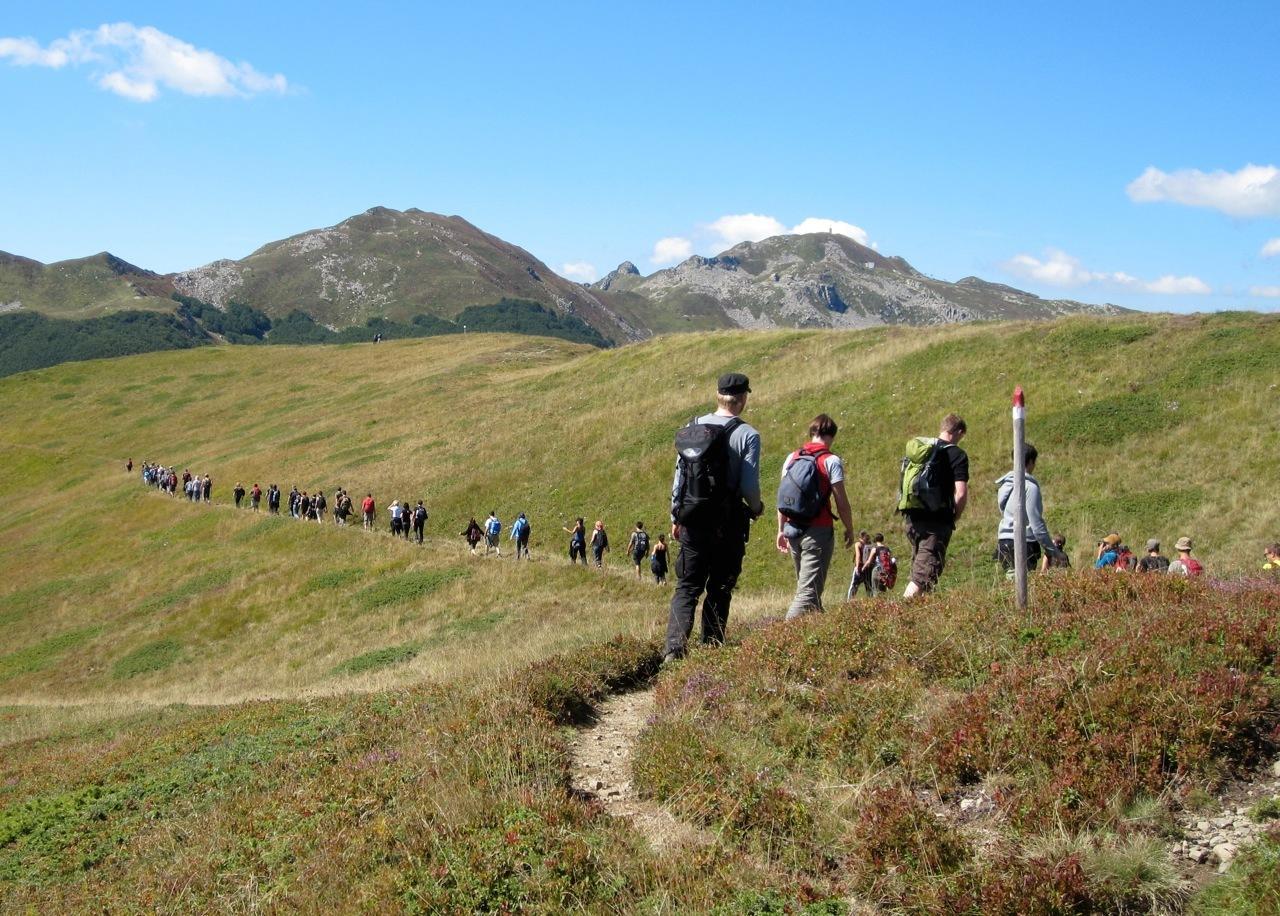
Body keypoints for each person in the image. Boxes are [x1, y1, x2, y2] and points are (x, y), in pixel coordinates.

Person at [665, 372, 764, 662]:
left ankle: (674, 648)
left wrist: (676, 515)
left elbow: (679, 477)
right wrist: (756, 508)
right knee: (720, 586)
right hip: (728, 522)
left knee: (687, 586)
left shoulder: (692, 428)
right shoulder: (748, 435)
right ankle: (712, 647)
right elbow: (749, 486)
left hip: (692, 519)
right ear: (743, 398)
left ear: (718, 396)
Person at [777, 413, 855, 619]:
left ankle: (818, 633)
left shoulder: (792, 458)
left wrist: (780, 529)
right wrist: (849, 528)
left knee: (810, 590)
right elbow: (842, 503)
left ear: (812, 432)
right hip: (818, 531)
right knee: (807, 594)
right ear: (832, 436)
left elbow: (784, 497)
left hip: (793, 529)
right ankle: (785, 636)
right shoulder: (831, 461)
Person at [900, 414, 968, 598]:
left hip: (912, 519)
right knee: (922, 577)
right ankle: (896, 615)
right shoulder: (956, 454)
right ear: (959, 432)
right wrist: (954, 516)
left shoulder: (924, 450)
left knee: (924, 572)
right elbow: (960, 493)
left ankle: (916, 620)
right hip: (936, 523)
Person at [994, 443, 1066, 575]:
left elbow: (1004, 511)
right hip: (1023, 543)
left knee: (1011, 584)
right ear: (1031, 461)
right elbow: (1036, 524)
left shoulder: (1006, 485)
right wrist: (1052, 551)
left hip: (1004, 542)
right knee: (1024, 588)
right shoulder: (1029, 488)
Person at [847, 531, 872, 599]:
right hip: (868, 568)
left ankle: (849, 601)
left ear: (860, 537)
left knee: (854, 585)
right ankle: (872, 601)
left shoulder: (858, 544)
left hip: (860, 567)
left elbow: (858, 556)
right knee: (869, 586)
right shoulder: (870, 545)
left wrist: (857, 567)